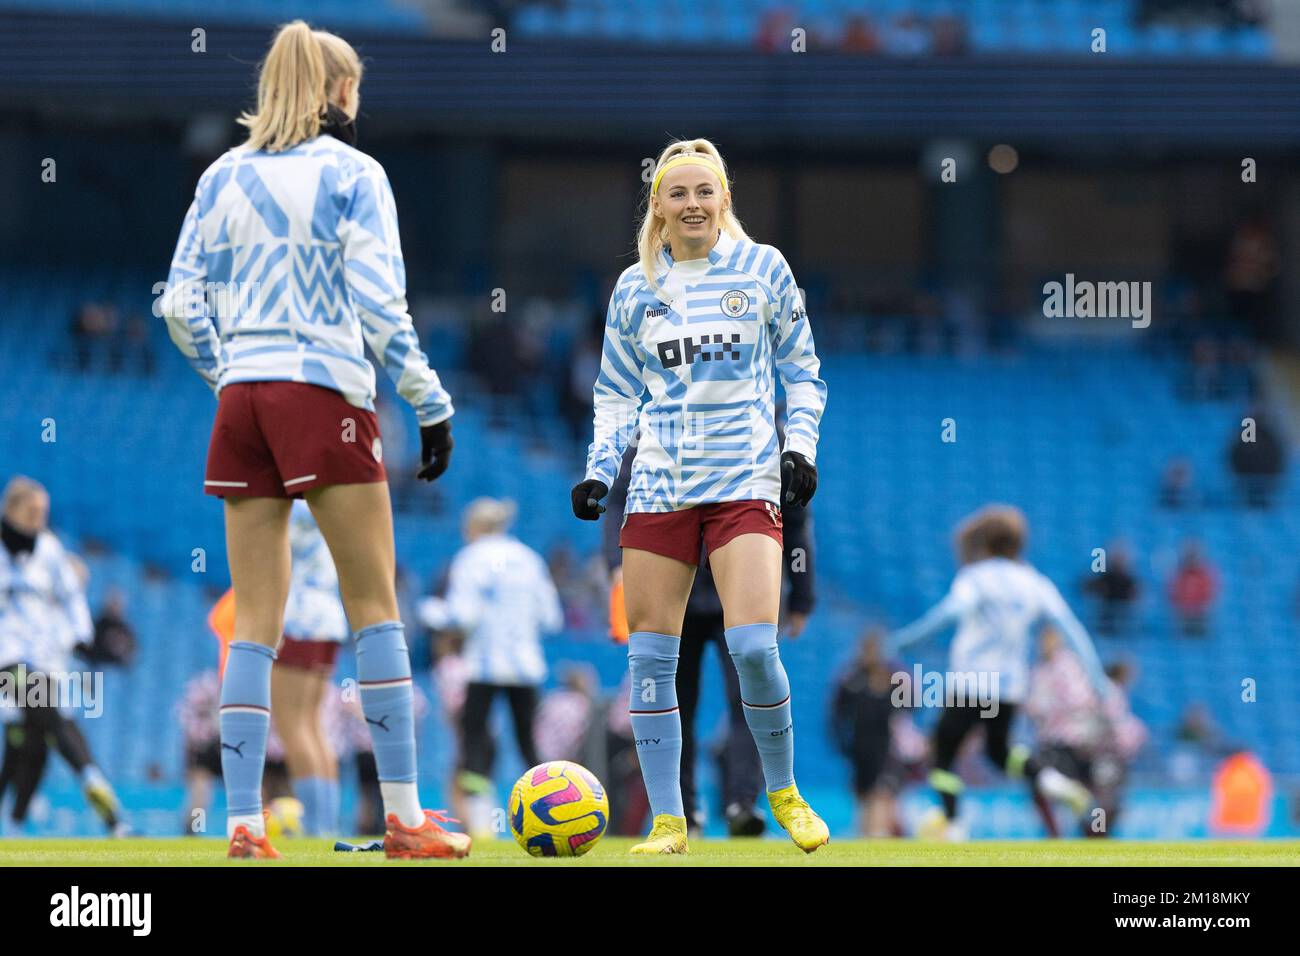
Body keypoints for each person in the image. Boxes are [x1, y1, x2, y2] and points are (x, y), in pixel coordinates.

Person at [160, 21, 463, 859]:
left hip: (243, 399)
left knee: (254, 620)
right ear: (338, 91)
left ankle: (247, 826)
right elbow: (378, 302)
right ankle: (404, 820)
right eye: (354, 87)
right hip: (323, 390)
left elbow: (181, 306)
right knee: (375, 604)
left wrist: (231, 376)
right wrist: (428, 402)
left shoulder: (222, 174)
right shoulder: (354, 173)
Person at [570, 138, 829, 854]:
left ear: (724, 200)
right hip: (658, 487)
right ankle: (668, 821)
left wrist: (798, 450)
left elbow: (804, 373)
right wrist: (599, 470)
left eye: (703, 192)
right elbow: (616, 393)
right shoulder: (634, 288)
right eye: (676, 193)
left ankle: (782, 792)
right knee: (650, 663)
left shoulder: (763, 268)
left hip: (744, 480)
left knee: (752, 645)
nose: (691, 204)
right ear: (657, 206)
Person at [602, 416, 818, 836]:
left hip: (743, 588)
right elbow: (622, 500)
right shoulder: (659, 423)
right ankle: (684, 812)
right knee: (676, 699)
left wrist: (802, 595)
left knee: (748, 693)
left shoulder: (766, 435)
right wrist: (619, 566)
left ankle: (741, 802)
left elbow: (793, 518)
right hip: (675, 587)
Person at [886, 504, 1110, 841]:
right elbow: (1070, 627)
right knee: (999, 752)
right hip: (1009, 688)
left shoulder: (977, 576)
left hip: (972, 680)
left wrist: (905, 640)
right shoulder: (1034, 581)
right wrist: (1096, 675)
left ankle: (953, 822)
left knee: (943, 752)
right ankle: (1055, 783)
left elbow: (950, 612)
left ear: (985, 542)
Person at [418, 497, 562, 838]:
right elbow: (551, 618)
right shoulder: (529, 559)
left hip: (483, 666)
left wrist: (429, 611)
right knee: (529, 743)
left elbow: (461, 616)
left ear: (474, 527)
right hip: (526, 666)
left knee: (474, 743)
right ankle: (554, 812)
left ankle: (483, 824)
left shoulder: (471, 558)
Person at [0, 477, 128, 835]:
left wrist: (82, 639)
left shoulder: (50, 551)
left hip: (41, 663)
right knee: (45, 723)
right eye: (32, 511)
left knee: (34, 741)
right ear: (10, 511)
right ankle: (97, 788)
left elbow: (72, 599)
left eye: (43, 512)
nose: (39, 517)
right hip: (5, 660)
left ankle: (14, 821)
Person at [270, 500, 350, 837]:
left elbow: (275, 562)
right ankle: (326, 823)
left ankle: (315, 826)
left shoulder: (292, 508)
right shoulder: (329, 502)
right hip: (328, 615)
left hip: (297, 617)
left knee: (293, 725)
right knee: (313, 725)